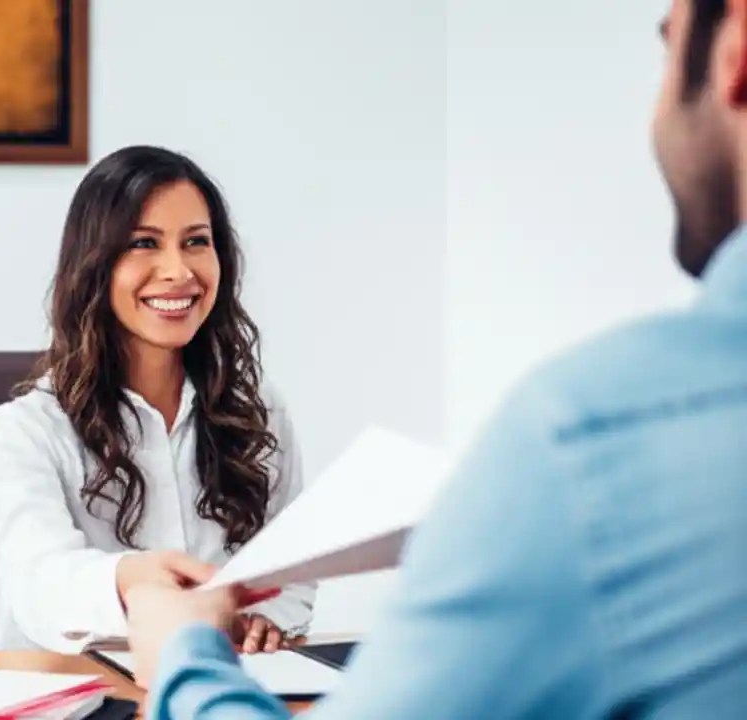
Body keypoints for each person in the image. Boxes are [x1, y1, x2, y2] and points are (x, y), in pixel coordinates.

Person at [124, 1, 747, 717]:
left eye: (669, 49)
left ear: (736, 50)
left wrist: (185, 661)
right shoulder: (26, 422)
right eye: (144, 244)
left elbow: (287, 582)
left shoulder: (591, 445)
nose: (175, 270)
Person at [0, 145, 314, 655]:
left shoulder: (259, 410)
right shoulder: (21, 433)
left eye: (196, 241)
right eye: (143, 244)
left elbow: (294, 565)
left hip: (210, 688)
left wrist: (267, 615)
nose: (178, 270)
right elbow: (38, 586)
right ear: (95, 266)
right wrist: (131, 580)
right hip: (67, 694)